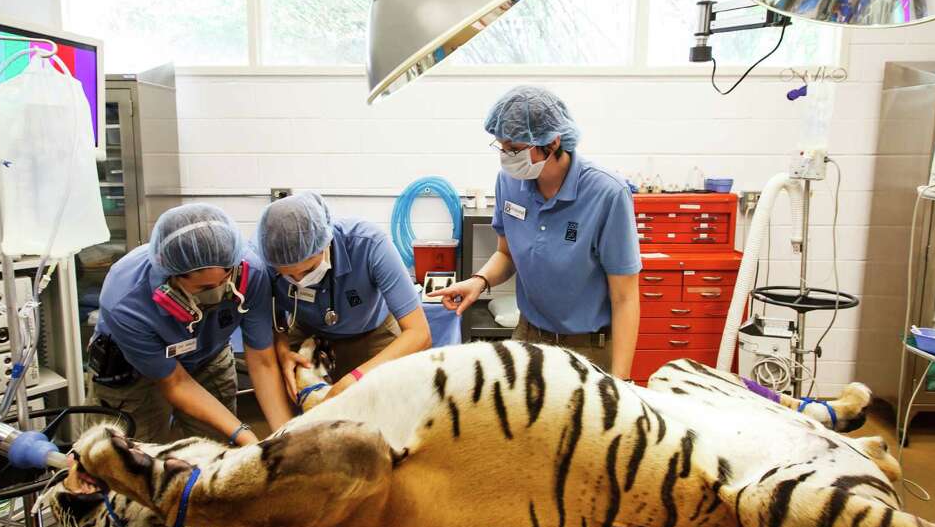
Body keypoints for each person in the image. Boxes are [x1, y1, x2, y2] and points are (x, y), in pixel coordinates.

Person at [430, 85, 640, 377]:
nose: (506, 157)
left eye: (514, 149)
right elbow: (506, 254)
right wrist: (478, 282)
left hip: (589, 350)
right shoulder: (509, 182)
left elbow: (625, 298)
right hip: (529, 339)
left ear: (553, 143)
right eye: (501, 147)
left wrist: (622, 382)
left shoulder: (607, 194)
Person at [86, 204, 291, 444]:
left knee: (218, 451)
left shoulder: (251, 272)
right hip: (134, 374)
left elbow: (263, 362)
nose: (217, 294)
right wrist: (244, 434)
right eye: (203, 288)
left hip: (207, 356)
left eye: (226, 280)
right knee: (137, 460)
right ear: (170, 276)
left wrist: (284, 436)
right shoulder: (126, 300)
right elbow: (176, 383)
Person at [256, 192, 432, 405]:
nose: (301, 280)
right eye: (288, 275)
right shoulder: (263, 261)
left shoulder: (369, 244)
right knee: (302, 406)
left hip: (373, 331)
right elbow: (274, 323)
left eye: (309, 269)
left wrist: (357, 377)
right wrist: (283, 352)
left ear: (326, 243)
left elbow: (419, 333)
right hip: (308, 335)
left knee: (385, 405)